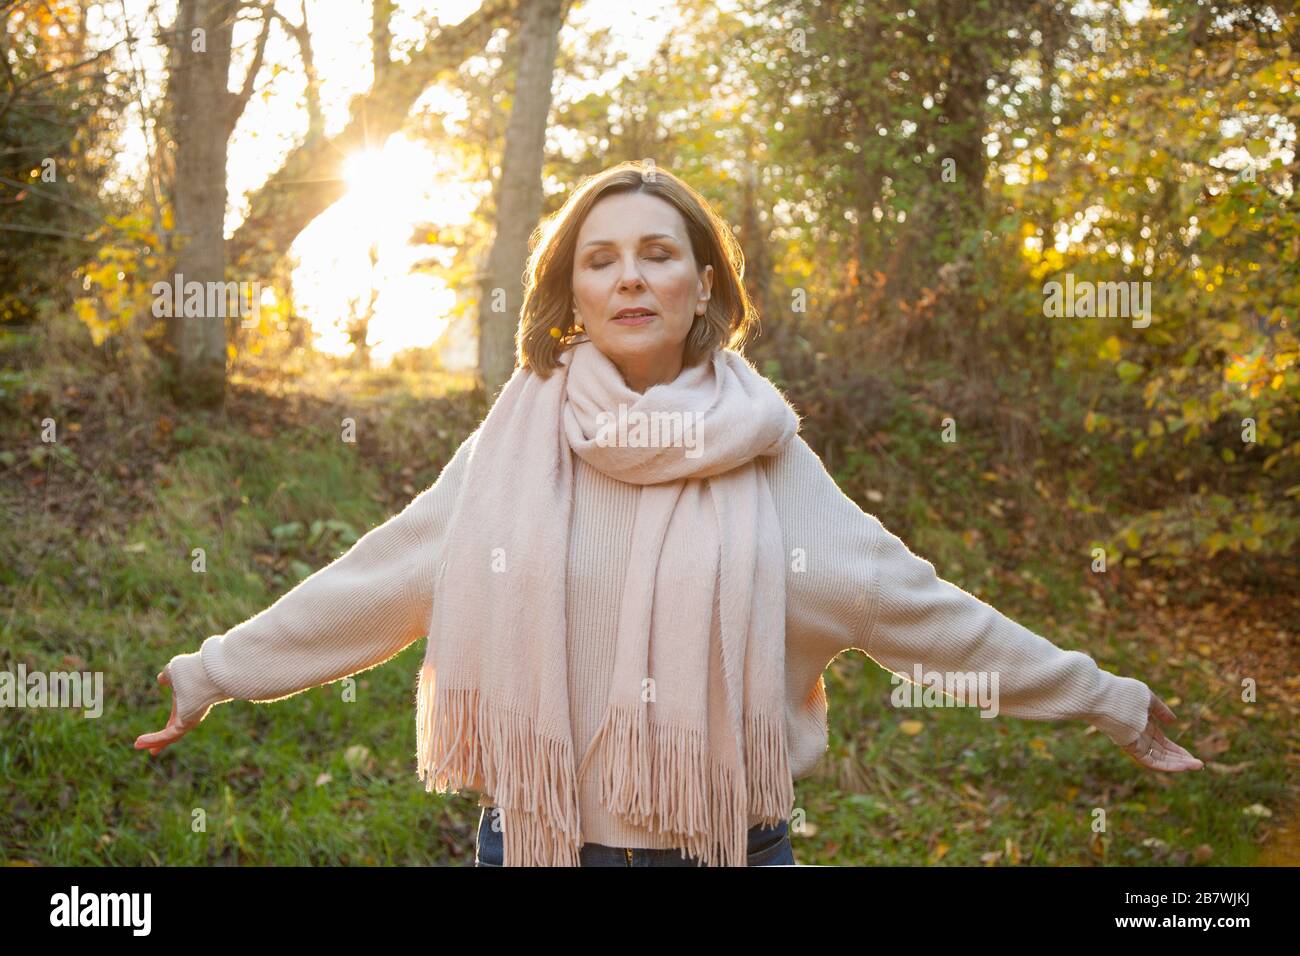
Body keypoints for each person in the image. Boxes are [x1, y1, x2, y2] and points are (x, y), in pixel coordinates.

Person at [135, 160, 1202, 867]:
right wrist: (217, 667)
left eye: (656, 253)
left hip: (725, 848)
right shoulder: (516, 438)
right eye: (600, 258)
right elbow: (386, 573)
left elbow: (915, 610)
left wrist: (1104, 695)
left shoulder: (770, 456)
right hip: (537, 842)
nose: (628, 275)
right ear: (571, 294)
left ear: (703, 286)